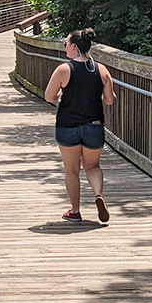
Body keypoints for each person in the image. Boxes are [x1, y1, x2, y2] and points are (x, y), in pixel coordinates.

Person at [44, 28, 116, 223]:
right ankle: (98, 194)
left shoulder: (63, 69)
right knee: (92, 166)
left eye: (66, 44)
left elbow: (49, 96)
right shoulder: (101, 70)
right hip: (94, 126)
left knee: (72, 170)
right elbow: (109, 100)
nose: (65, 47)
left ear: (74, 47)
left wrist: (61, 95)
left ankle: (75, 211)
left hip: (68, 126)